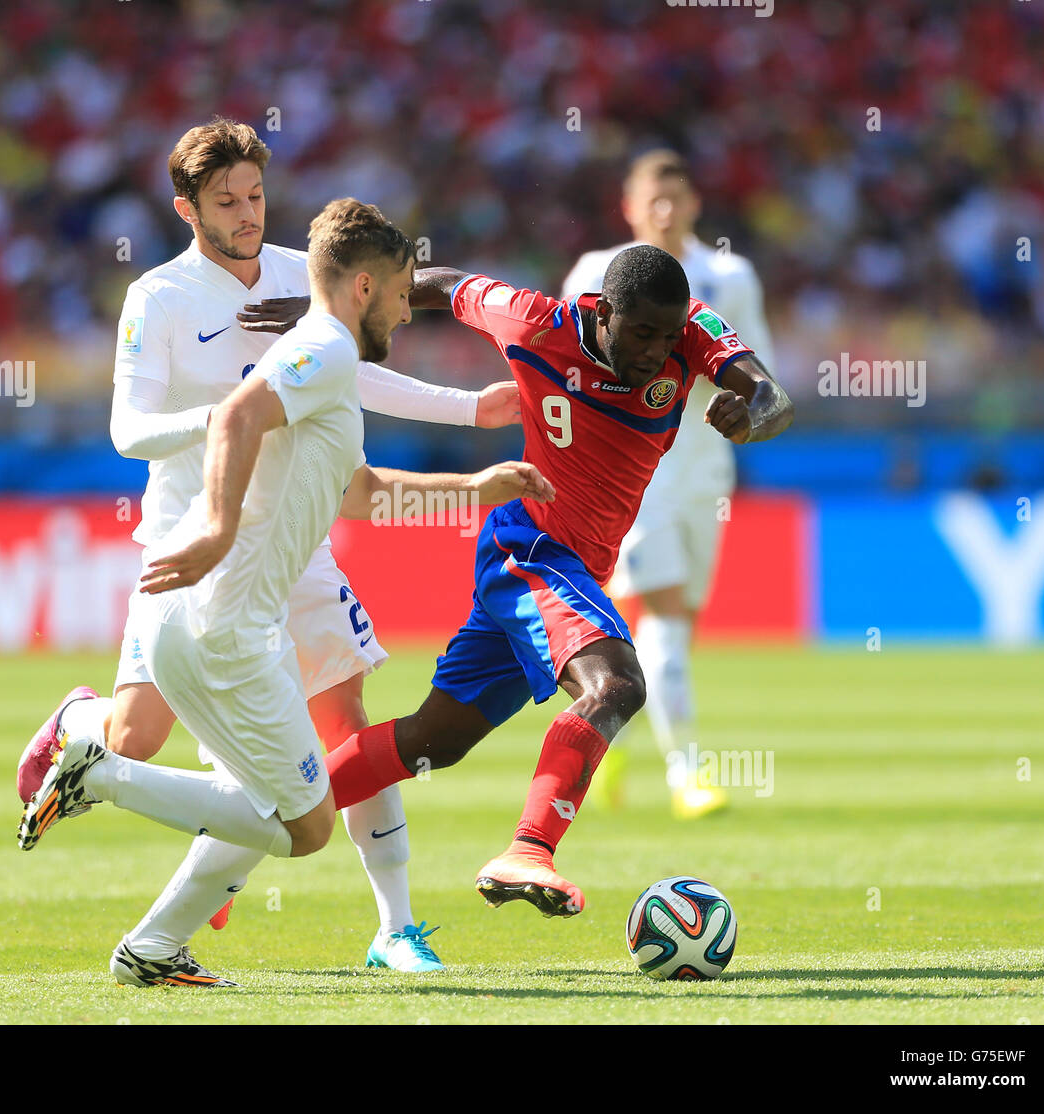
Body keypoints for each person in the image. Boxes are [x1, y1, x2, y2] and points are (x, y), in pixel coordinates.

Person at [16, 120, 520, 974]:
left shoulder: (303, 277)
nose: (248, 215)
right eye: (227, 202)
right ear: (187, 209)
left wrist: (469, 411)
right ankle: (79, 731)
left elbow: (355, 372)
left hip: (295, 544)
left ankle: (394, 926)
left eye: (255, 195)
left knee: (341, 721)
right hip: (194, 546)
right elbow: (129, 431)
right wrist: (227, 421)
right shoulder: (160, 298)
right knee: (139, 739)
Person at [263, 245, 795, 918]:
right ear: (604, 311)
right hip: (531, 550)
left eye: (667, 337)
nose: (658, 351)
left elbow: (775, 397)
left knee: (436, 739)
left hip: (574, 571)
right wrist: (337, 314)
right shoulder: (534, 322)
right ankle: (529, 850)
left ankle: (249, 826)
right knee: (618, 685)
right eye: (642, 333)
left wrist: (757, 415)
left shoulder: (693, 329)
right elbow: (449, 283)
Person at [562, 150, 776, 818]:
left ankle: (611, 732)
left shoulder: (728, 275)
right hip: (631, 468)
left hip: (703, 468)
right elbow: (567, 364)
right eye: (652, 199)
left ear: (693, 205)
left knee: (679, 618)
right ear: (629, 207)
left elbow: (756, 369)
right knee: (661, 608)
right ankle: (689, 774)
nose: (664, 210)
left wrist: (743, 401)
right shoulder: (597, 273)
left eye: (675, 198)